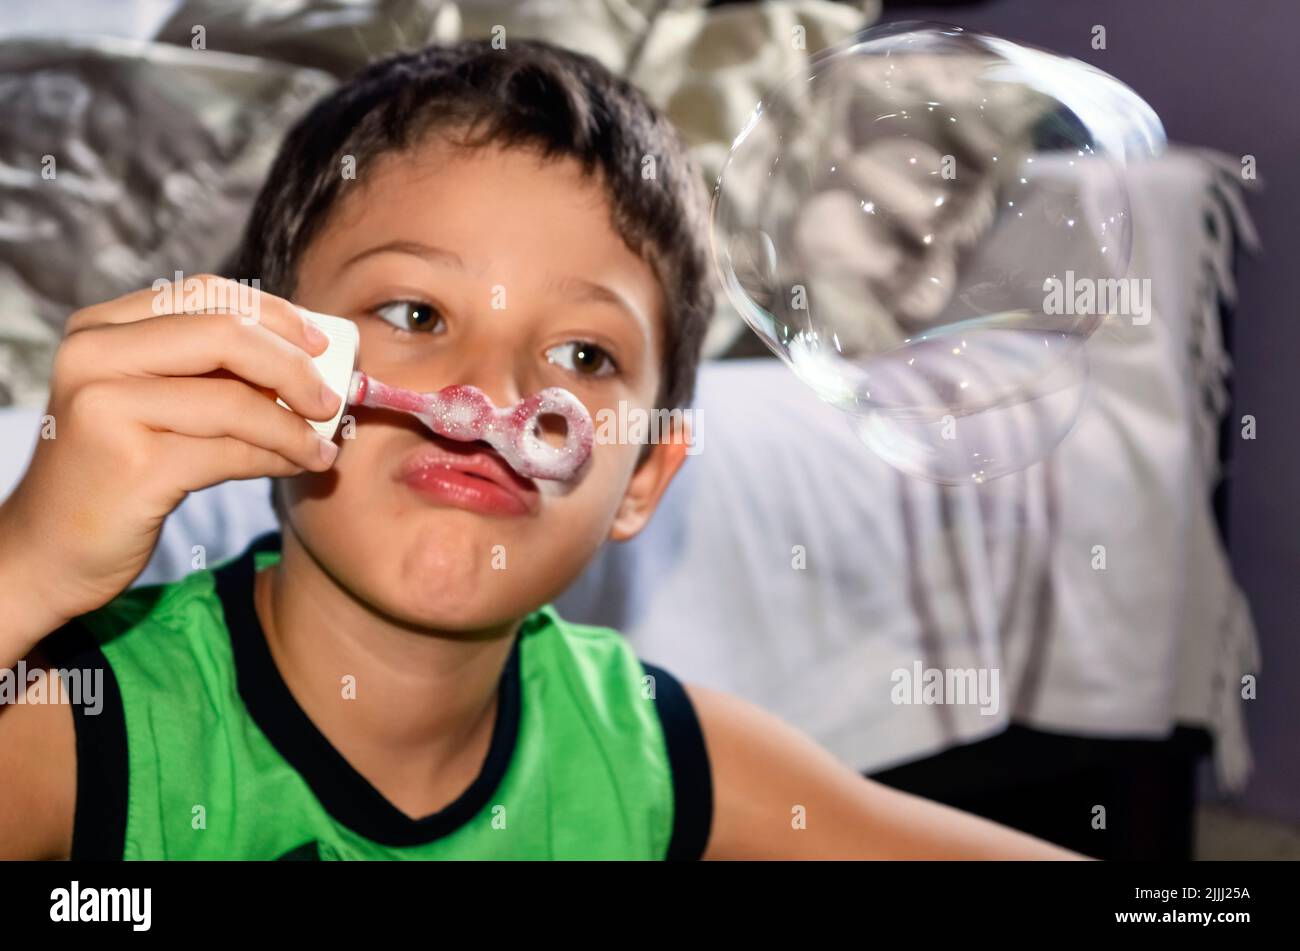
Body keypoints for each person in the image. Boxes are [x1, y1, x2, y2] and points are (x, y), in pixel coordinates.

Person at [0, 39, 1079, 860]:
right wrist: (26, 568)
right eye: (418, 314)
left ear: (642, 478)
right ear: (269, 367)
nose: (490, 394)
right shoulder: (91, 725)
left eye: (581, 352)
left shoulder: (651, 756)